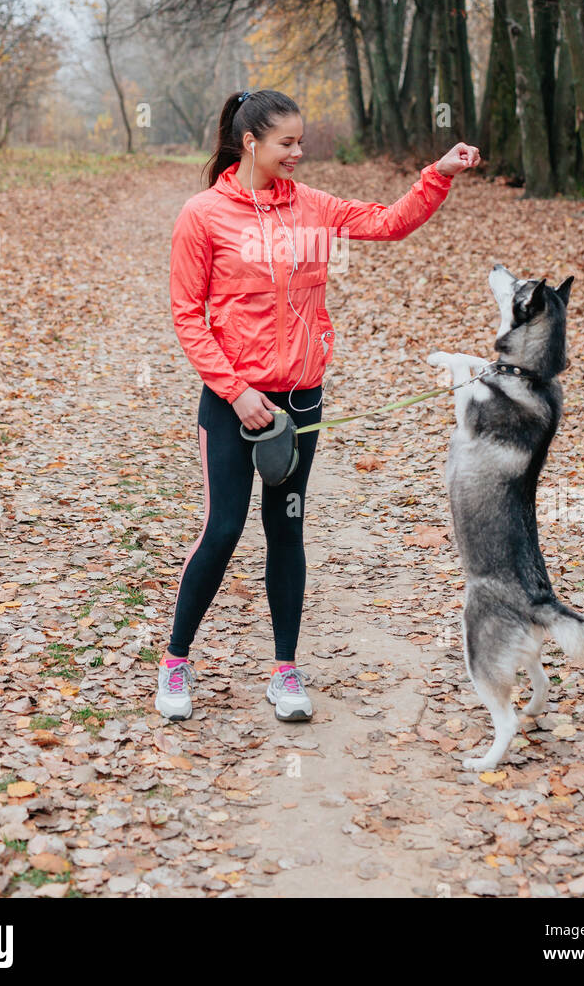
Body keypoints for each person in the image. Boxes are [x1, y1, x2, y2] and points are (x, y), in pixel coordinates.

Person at [157, 88, 479, 722]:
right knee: (222, 530)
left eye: (301, 142)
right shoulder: (203, 215)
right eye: (287, 143)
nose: (298, 153)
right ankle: (175, 661)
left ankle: (285, 670)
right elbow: (187, 315)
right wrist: (237, 391)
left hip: (300, 401)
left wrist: (438, 175)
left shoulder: (312, 206)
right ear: (250, 142)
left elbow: (388, 222)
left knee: (287, 528)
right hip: (231, 403)